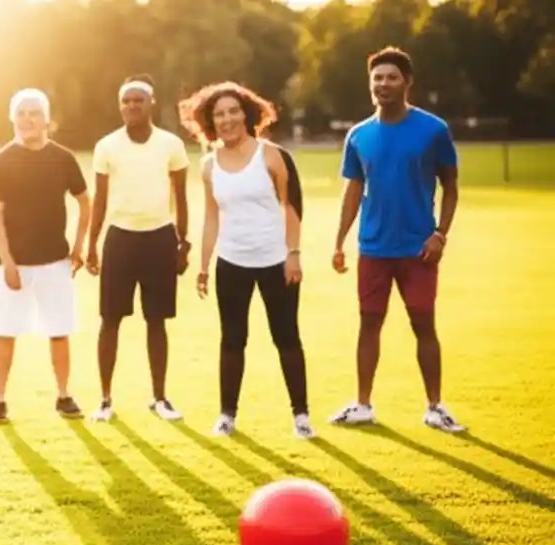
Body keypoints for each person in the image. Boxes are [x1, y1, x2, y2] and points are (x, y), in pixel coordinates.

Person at [330, 46, 464, 432]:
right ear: (370, 85)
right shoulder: (358, 136)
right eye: (377, 78)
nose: (383, 84)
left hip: (418, 250)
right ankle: (362, 405)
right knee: (368, 324)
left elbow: (451, 187)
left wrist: (440, 234)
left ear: (407, 82)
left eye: (391, 77)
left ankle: (435, 407)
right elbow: (353, 191)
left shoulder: (433, 130)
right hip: (373, 248)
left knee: (424, 325)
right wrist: (339, 241)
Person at [180, 81, 315, 439]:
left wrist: (294, 254)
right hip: (232, 262)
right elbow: (211, 217)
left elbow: (291, 206)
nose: (226, 119)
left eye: (233, 111)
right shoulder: (209, 165)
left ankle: (301, 416)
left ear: (247, 114)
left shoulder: (271, 155)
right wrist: (205, 265)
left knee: (286, 338)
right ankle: (227, 415)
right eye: (219, 114)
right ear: (210, 122)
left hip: (276, 261)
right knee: (232, 340)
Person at [86, 74, 191, 422]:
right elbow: (99, 200)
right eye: (126, 101)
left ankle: (160, 398)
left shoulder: (170, 145)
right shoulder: (107, 146)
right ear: (120, 107)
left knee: (156, 320)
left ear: (152, 105)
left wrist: (183, 241)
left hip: (159, 238)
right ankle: (104, 399)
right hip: (120, 239)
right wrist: (92, 244)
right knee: (110, 320)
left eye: (138, 100)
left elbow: (181, 196)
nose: (132, 106)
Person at [0, 88, 90, 423]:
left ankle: (63, 395)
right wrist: (8, 261)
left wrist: (78, 246)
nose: (27, 119)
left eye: (34, 113)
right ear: (12, 119)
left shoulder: (62, 158)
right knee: (5, 333)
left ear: (47, 119)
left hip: (55, 262)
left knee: (59, 331)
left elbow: (85, 202)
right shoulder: (1, 161)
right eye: (21, 113)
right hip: (13, 265)